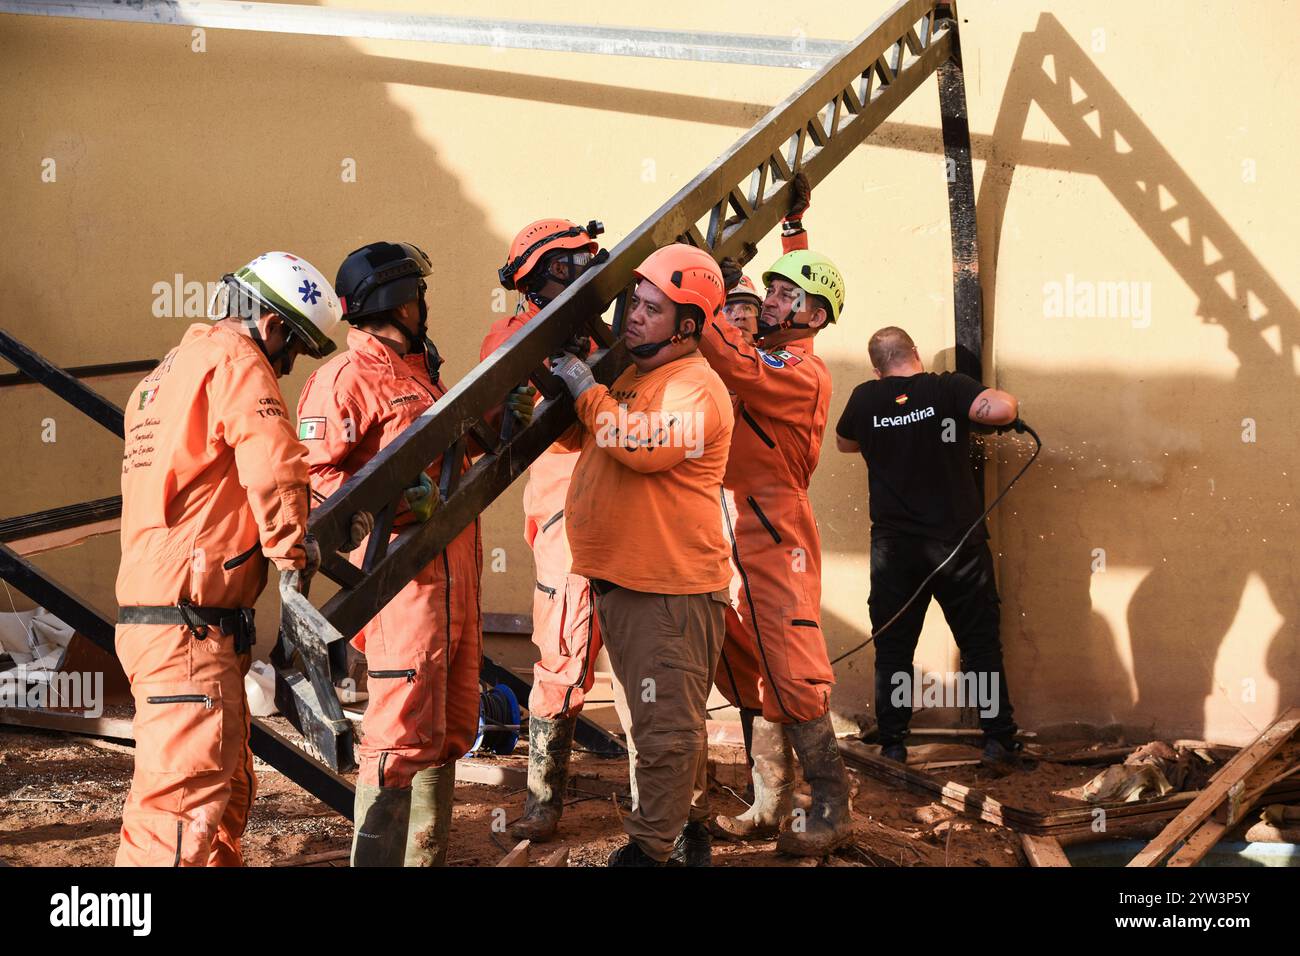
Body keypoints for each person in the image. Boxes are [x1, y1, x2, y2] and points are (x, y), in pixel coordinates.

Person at [115, 251, 351, 866]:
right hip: (189, 628)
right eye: (294, 349)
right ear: (273, 328)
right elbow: (272, 463)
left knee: (218, 803)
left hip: (177, 625)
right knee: (179, 813)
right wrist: (294, 548)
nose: (289, 365)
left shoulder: (167, 376)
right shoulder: (238, 360)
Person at [298, 241, 529, 866]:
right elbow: (315, 487)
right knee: (398, 735)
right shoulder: (343, 381)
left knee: (449, 731)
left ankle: (423, 857)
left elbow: (452, 455)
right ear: (398, 302)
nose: (426, 305)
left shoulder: (421, 372)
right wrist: (395, 504)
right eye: (419, 294)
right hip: (404, 587)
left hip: (456, 578)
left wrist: (497, 420)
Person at [551, 243, 734, 866]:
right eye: (635, 302)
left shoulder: (696, 387)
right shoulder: (637, 376)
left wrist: (584, 389)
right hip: (628, 584)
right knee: (652, 723)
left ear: (687, 327)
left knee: (665, 730)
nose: (632, 315)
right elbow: (602, 436)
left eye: (651, 309)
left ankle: (651, 851)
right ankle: (688, 834)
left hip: (669, 588)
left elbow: (641, 447)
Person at [701, 243, 856, 856]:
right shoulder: (768, 352)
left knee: (793, 664)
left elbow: (737, 367)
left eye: (787, 295)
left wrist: (704, 296)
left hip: (775, 528)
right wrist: (792, 230)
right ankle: (769, 804)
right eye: (770, 290)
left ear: (814, 316)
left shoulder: (802, 370)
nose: (769, 300)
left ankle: (831, 806)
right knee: (753, 668)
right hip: (733, 524)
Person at [834, 326, 1022, 767]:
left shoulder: (865, 398)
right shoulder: (946, 386)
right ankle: (998, 739)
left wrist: (888, 431)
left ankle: (895, 743)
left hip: (895, 551)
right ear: (915, 353)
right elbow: (1000, 409)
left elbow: (845, 443)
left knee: (894, 646)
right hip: (957, 545)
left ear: (876, 368)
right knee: (979, 644)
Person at [482, 218, 611, 842]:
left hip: (635, 514)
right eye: (571, 262)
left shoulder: (608, 330)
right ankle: (542, 804)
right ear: (538, 275)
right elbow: (560, 423)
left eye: (588, 258)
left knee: (654, 660)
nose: (585, 269)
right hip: (570, 517)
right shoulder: (513, 340)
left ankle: (668, 809)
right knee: (562, 654)